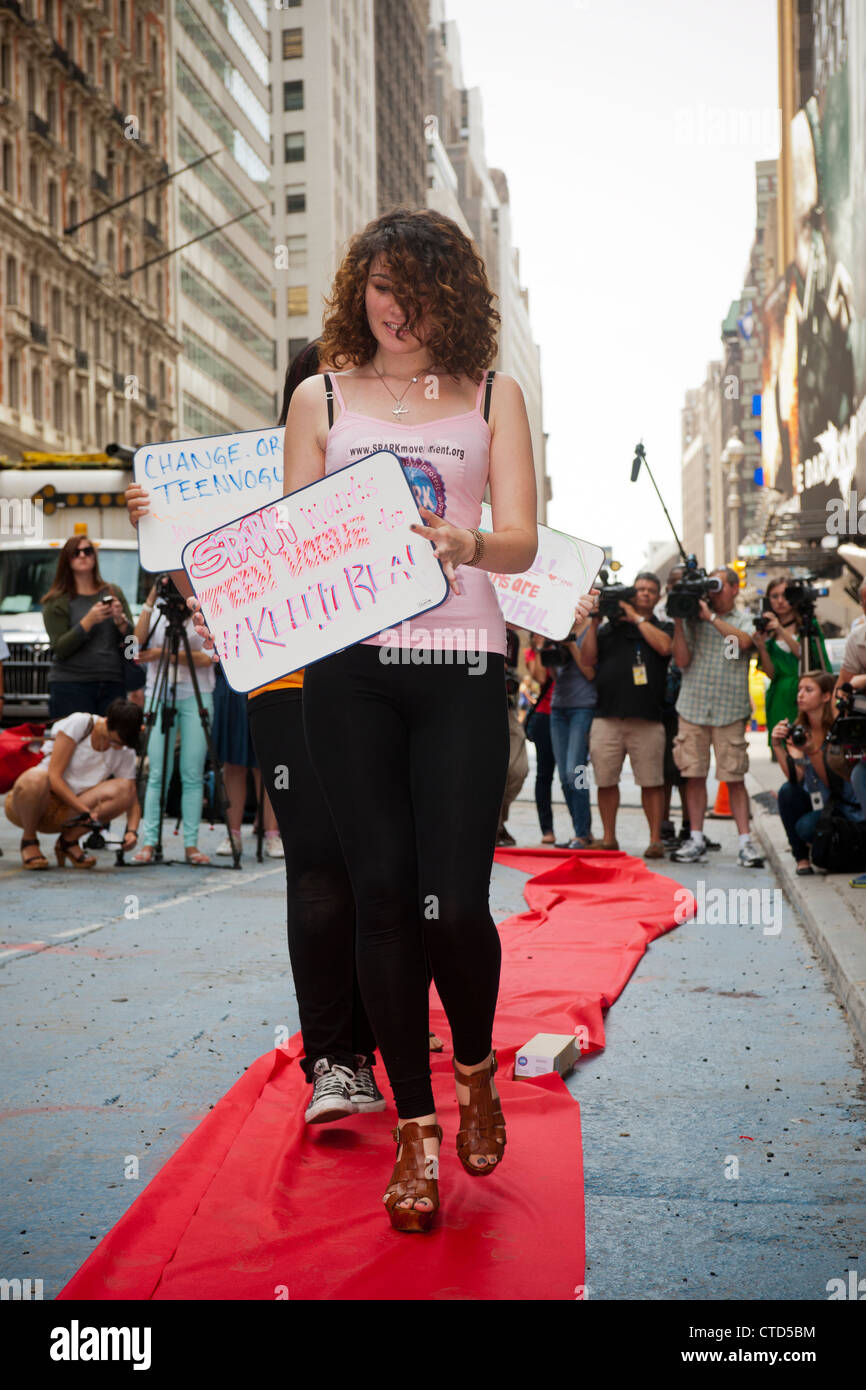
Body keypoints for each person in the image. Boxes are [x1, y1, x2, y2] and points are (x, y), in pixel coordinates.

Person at [284, 206, 593, 1232]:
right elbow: (293, 540)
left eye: (416, 290)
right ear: (357, 292)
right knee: (379, 900)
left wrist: (465, 542)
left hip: (461, 659)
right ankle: (412, 1134)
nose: (397, 308)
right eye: (380, 287)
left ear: (449, 296)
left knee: (451, 905)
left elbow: (519, 538)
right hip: (350, 668)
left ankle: (472, 1069)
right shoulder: (317, 397)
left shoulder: (493, 395)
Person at [126, 340, 384, 1124]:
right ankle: (334, 1062)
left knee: (379, 873)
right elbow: (204, 579)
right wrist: (162, 527)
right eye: (328, 369)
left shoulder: (387, 456)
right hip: (288, 684)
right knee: (315, 866)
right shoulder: (252, 471)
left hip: (381, 684)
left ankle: (377, 1048)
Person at [670, 567, 764, 867]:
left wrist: (711, 618)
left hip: (730, 710)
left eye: (718, 585)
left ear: (735, 589)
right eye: (708, 586)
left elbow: (745, 643)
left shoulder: (744, 620)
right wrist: (679, 621)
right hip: (693, 708)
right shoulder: (692, 620)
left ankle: (745, 843)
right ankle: (695, 838)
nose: (711, 592)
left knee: (734, 777)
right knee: (693, 776)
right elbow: (682, 661)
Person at [581, 572, 672, 856]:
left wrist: (637, 618)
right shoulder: (609, 628)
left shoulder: (662, 626)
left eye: (650, 590)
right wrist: (594, 623)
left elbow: (665, 647)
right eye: (640, 589)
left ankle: (655, 840)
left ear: (657, 596)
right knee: (606, 780)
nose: (645, 593)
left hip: (647, 718)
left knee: (651, 782)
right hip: (607, 717)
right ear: (632, 594)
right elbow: (587, 659)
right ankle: (609, 838)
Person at [131, 579, 215, 865]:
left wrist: (162, 655)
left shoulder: (200, 611)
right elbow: (134, 645)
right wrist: (151, 597)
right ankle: (149, 842)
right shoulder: (156, 612)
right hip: (159, 693)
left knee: (191, 772)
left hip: (197, 694)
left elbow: (207, 658)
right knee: (157, 773)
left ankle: (191, 845)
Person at [4, 698, 141, 868]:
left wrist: (132, 831)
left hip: (69, 813)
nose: (119, 748)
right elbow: (54, 777)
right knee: (37, 777)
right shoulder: (81, 723)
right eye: (116, 742)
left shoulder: (125, 749)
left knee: (125, 789)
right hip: (34, 803)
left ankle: (68, 842)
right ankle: (29, 840)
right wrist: (85, 811)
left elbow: (132, 798)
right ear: (107, 722)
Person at [772, 671, 863, 874]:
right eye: (799, 690)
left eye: (808, 690)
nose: (800, 695)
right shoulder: (799, 730)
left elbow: (835, 785)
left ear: (826, 696)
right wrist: (778, 746)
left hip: (842, 807)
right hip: (819, 803)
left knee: (806, 827)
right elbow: (796, 778)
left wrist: (812, 751)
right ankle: (801, 858)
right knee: (787, 791)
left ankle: (824, 848)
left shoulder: (839, 730)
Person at [42, 536, 134, 720]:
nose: (83, 555)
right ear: (66, 560)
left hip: (112, 682)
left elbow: (133, 644)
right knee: (74, 746)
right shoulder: (56, 600)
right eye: (76, 553)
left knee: (110, 747)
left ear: (94, 556)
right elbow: (60, 648)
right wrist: (88, 621)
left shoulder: (113, 592)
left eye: (88, 551)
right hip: (71, 684)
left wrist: (121, 622)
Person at [753, 575, 829, 754]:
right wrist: (762, 647)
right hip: (780, 697)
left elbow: (808, 656)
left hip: (808, 694)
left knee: (811, 748)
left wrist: (780, 629)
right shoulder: (767, 631)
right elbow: (771, 674)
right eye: (774, 596)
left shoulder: (808, 624)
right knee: (784, 752)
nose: (780, 601)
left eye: (785, 595)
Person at [549, 611, 597, 849]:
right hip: (558, 708)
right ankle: (580, 831)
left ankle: (583, 832)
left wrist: (571, 646)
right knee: (564, 777)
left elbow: (589, 672)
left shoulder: (591, 628)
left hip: (582, 707)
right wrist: (549, 650)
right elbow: (551, 675)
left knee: (575, 772)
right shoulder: (559, 625)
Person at [657, 565, 690, 845]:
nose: (678, 588)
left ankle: (690, 826)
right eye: (674, 584)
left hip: (691, 700)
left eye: (683, 583)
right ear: (667, 587)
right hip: (664, 703)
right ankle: (665, 824)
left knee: (689, 769)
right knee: (666, 768)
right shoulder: (657, 614)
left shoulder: (697, 609)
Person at [496, 623, 529, 846]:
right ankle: (494, 827)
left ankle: (496, 821)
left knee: (518, 769)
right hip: (472, 707)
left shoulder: (513, 636)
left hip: (507, 708)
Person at [524, 631, 557, 844]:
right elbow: (541, 677)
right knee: (544, 776)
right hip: (545, 718)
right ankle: (547, 829)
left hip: (572, 715)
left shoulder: (563, 648)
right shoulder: (531, 653)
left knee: (576, 773)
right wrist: (538, 648)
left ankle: (582, 829)